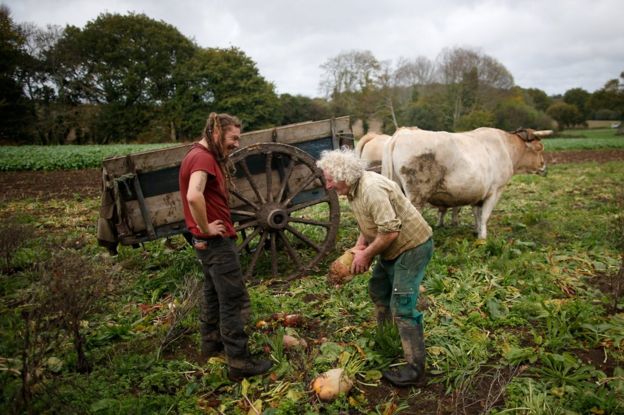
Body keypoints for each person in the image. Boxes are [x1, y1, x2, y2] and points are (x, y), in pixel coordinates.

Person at [316, 148, 434, 387]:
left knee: (402, 305)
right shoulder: (354, 190)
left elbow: (390, 231)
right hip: (391, 247)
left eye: (330, 180)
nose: (328, 186)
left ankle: (415, 370)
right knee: (379, 289)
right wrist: (360, 247)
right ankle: (387, 335)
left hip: (411, 247)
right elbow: (370, 223)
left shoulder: (371, 189)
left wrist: (367, 255)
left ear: (343, 176)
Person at [178, 112, 272, 381]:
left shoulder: (196, 154)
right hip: (216, 243)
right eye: (233, 138)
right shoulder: (203, 158)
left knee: (212, 293)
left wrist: (201, 231)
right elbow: (194, 195)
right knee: (233, 299)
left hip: (204, 244)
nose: (237, 144)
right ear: (217, 132)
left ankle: (210, 345)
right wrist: (206, 227)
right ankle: (239, 363)